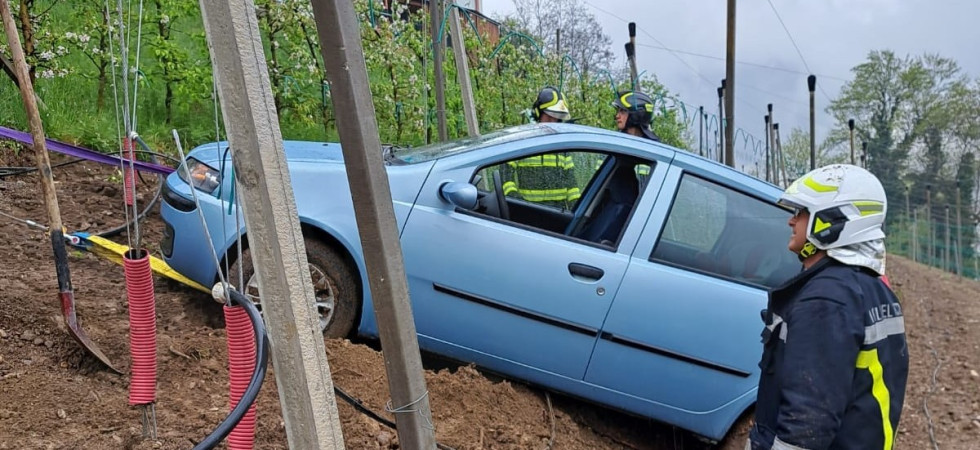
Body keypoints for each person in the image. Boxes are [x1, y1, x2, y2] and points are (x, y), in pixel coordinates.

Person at [749, 164, 908, 450]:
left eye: (800, 212)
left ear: (832, 221)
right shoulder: (872, 289)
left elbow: (807, 423)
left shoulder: (828, 299)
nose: (791, 221)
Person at [502, 87, 579, 209]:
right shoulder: (524, 142)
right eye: (549, 117)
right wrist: (515, 200)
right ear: (538, 114)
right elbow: (506, 175)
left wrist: (577, 209)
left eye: (557, 118)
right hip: (529, 211)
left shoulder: (562, 147)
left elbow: (572, 185)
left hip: (558, 213)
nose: (553, 122)